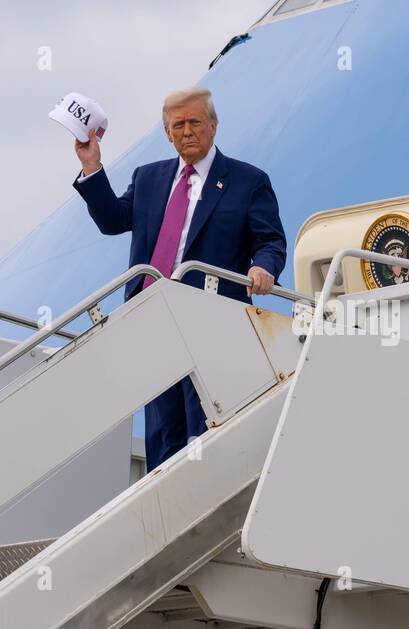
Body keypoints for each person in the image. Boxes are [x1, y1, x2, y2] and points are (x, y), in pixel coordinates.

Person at [72, 87, 286, 470]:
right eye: (178, 125)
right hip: (153, 316)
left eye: (195, 122)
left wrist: (264, 267)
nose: (187, 131)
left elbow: (270, 241)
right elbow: (112, 221)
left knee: (205, 422)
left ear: (213, 127)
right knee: (161, 427)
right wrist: (92, 168)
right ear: (167, 133)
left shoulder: (247, 180)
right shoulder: (149, 177)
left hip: (212, 320)